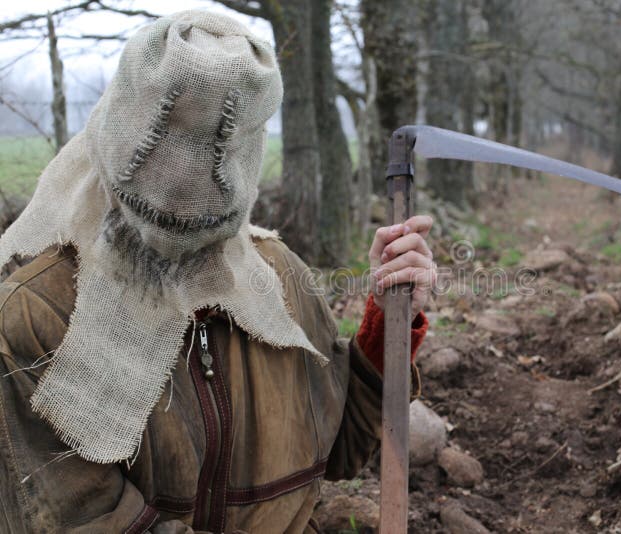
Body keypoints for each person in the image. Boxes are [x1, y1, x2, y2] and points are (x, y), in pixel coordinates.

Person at [0, 11, 435, 534]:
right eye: (173, 139)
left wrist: (386, 322)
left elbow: (340, 450)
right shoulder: (39, 316)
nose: (188, 176)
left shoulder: (279, 283)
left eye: (214, 148)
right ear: (125, 133)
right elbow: (84, 520)